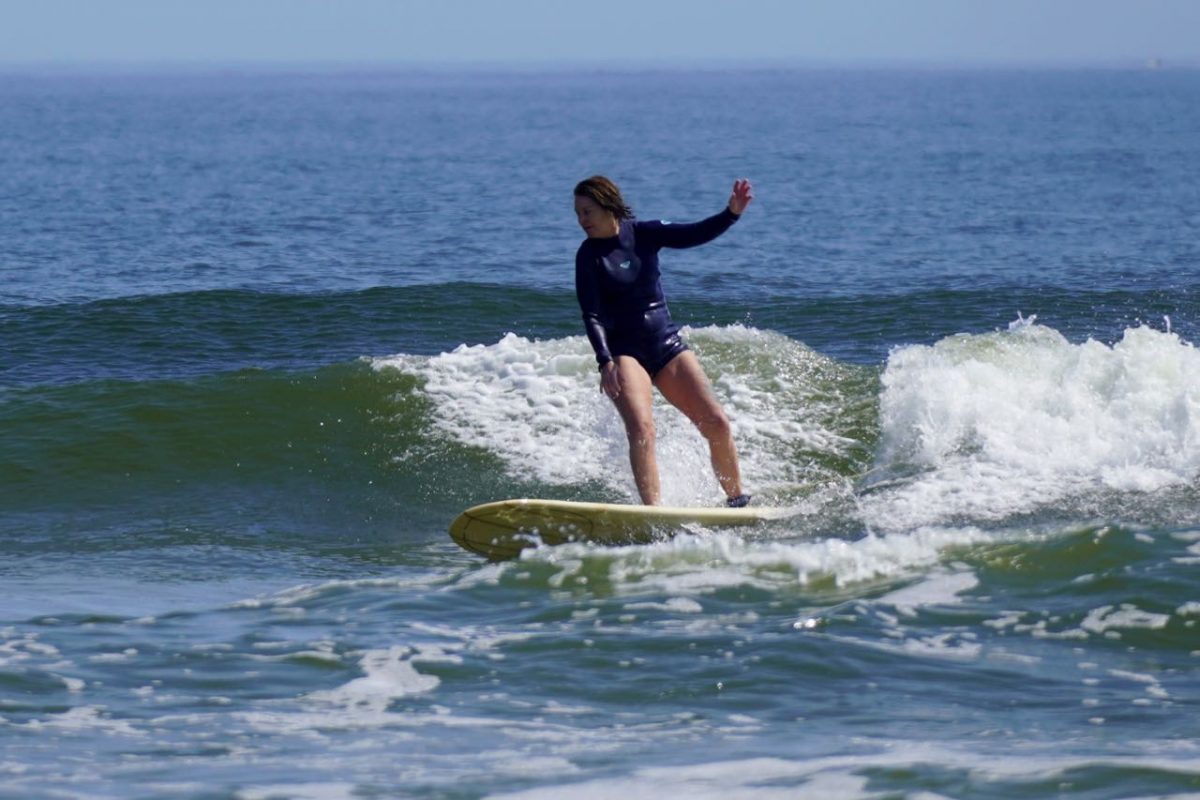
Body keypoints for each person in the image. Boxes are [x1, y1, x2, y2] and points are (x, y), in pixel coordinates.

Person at [573, 175, 754, 507]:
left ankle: (737, 500)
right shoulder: (588, 256)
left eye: (587, 212)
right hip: (625, 352)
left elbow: (693, 233)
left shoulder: (644, 233)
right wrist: (605, 361)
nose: (581, 221)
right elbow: (592, 314)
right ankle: (653, 512)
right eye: (578, 214)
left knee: (716, 422)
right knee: (642, 430)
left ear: (608, 206)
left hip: (666, 344)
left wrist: (731, 214)